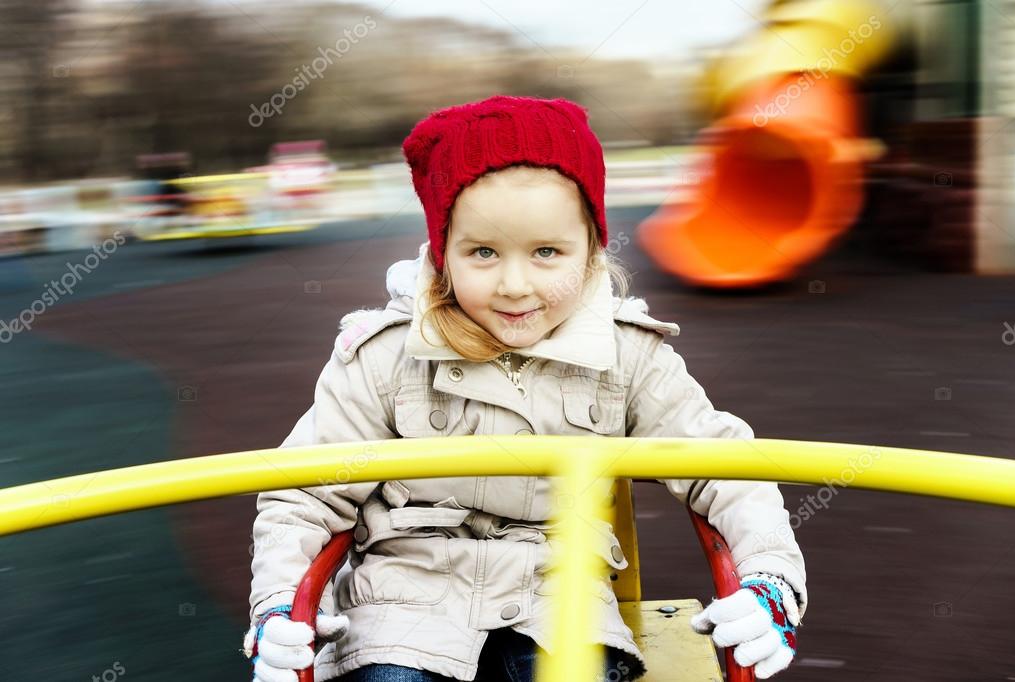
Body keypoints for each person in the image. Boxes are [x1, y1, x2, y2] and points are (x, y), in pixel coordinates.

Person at [244, 95, 807, 682]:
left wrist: (770, 578)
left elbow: (725, 467)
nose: (516, 285)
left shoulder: (626, 354)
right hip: (404, 606)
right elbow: (303, 495)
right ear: (443, 251)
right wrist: (279, 605)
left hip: (560, 603)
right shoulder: (385, 355)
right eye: (483, 252)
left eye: (546, 253)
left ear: (591, 248)